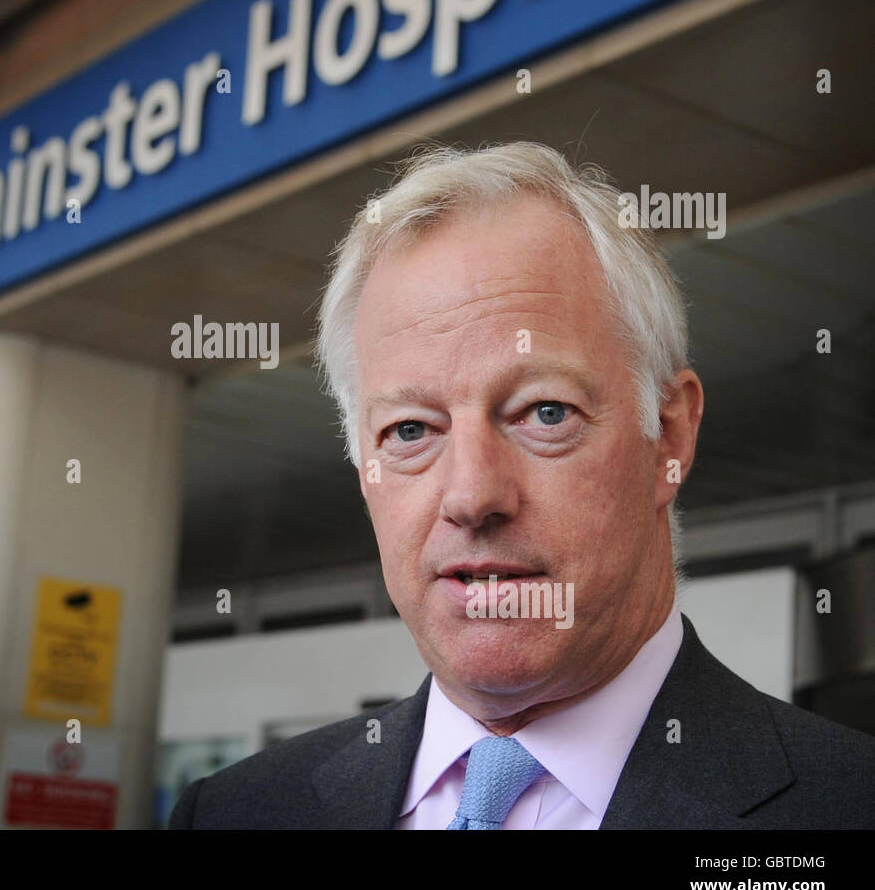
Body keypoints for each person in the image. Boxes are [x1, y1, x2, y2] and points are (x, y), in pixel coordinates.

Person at [169, 142, 875, 830]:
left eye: (545, 412)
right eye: (411, 430)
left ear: (670, 434)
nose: (472, 496)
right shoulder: (235, 812)